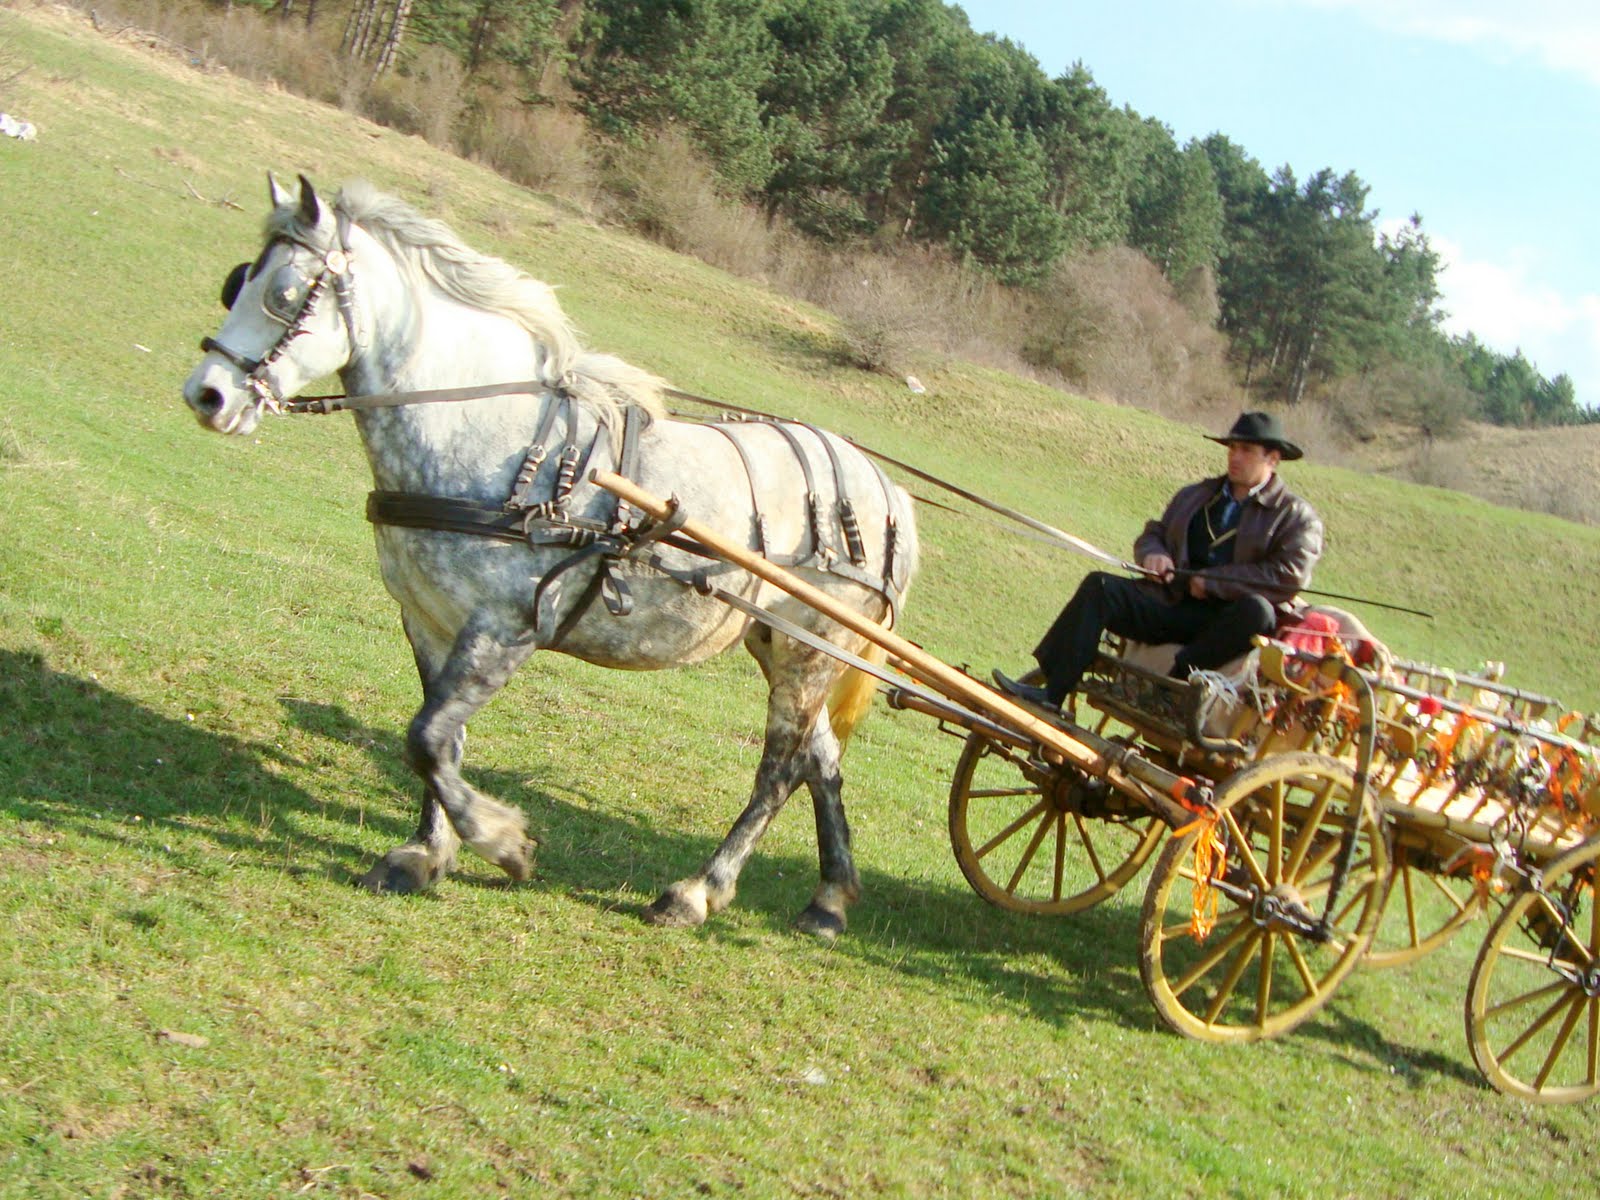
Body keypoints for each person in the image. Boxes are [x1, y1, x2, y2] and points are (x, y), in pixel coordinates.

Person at [994, 411, 1323, 713]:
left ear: (1273, 459)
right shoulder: (1197, 495)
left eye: (1246, 450)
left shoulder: (1296, 517)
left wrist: (1213, 582)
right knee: (1100, 586)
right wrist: (1154, 554)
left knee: (1258, 611)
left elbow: (1287, 575)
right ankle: (1052, 692)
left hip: (1228, 625)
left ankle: (1172, 687)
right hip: (1173, 603)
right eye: (1232, 448)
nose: (1234, 457)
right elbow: (1155, 533)